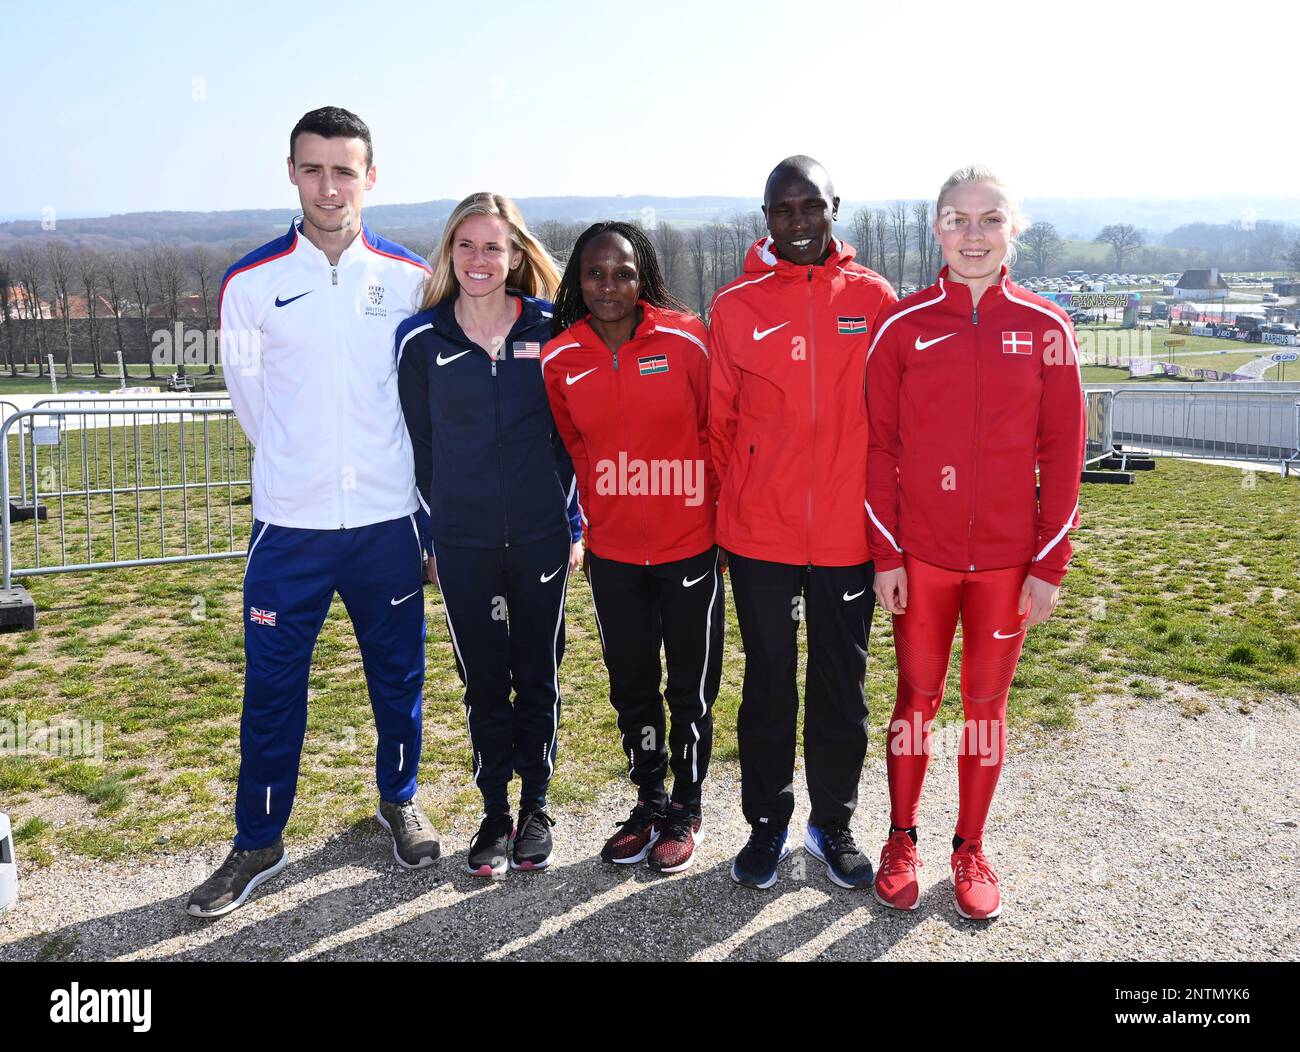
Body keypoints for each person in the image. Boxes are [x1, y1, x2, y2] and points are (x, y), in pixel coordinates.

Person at [188, 107, 438, 918]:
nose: (330, 186)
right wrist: (302, 480)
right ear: (291, 173)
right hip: (289, 530)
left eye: (345, 169)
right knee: (270, 691)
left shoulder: (407, 278)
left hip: (386, 525)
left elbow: (421, 403)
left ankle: (398, 799)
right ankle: (258, 841)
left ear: (372, 175)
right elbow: (252, 406)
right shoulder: (251, 282)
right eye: (313, 169)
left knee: (397, 678)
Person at [866, 165, 1085, 920]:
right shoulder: (904, 326)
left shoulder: (1049, 329)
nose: (973, 234)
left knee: (984, 708)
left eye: (990, 219)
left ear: (1012, 230)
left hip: (1006, 564)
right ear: (936, 230)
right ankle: (901, 838)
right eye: (956, 219)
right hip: (921, 560)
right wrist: (887, 555)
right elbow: (878, 448)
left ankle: (970, 846)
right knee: (915, 702)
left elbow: (1064, 454)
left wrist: (1049, 565)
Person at [709, 156, 897, 891]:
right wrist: (734, 512)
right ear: (766, 218)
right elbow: (719, 424)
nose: (797, 221)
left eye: (810, 206)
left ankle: (834, 823)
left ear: (833, 208)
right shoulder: (735, 306)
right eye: (782, 209)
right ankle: (766, 823)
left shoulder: (875, 298)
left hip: (848, 535)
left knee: (841, 685)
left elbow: (893, 423)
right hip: (761, 535)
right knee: (768, 684)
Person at [396, 193, 582, 878]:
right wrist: (433, 539)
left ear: (516, 255)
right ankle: (494, 811)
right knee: (483, 683)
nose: (480, 260)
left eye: (494, 247)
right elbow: (417, 451)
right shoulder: (421, 341)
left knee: (539, 675)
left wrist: (571, 523)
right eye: (467, 246)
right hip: (464, 546)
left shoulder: (552, 327)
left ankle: (537, 806)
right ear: (450, 252)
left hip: (541, 541)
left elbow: (574, 437)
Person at [542, 222, 722, 874]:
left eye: (622, 272)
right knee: (633, 686)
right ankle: (650, 800)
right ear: (578, 281)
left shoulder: (686, 338)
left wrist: (719, 515)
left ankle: (688, 805)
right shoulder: (560, 357)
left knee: (689, 689)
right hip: (614, 552)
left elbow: (715, 432)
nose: (609, 286)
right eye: (595, 274)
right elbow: (576, 449)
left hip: (689, 544)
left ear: (641, 274)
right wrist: (588, 525)